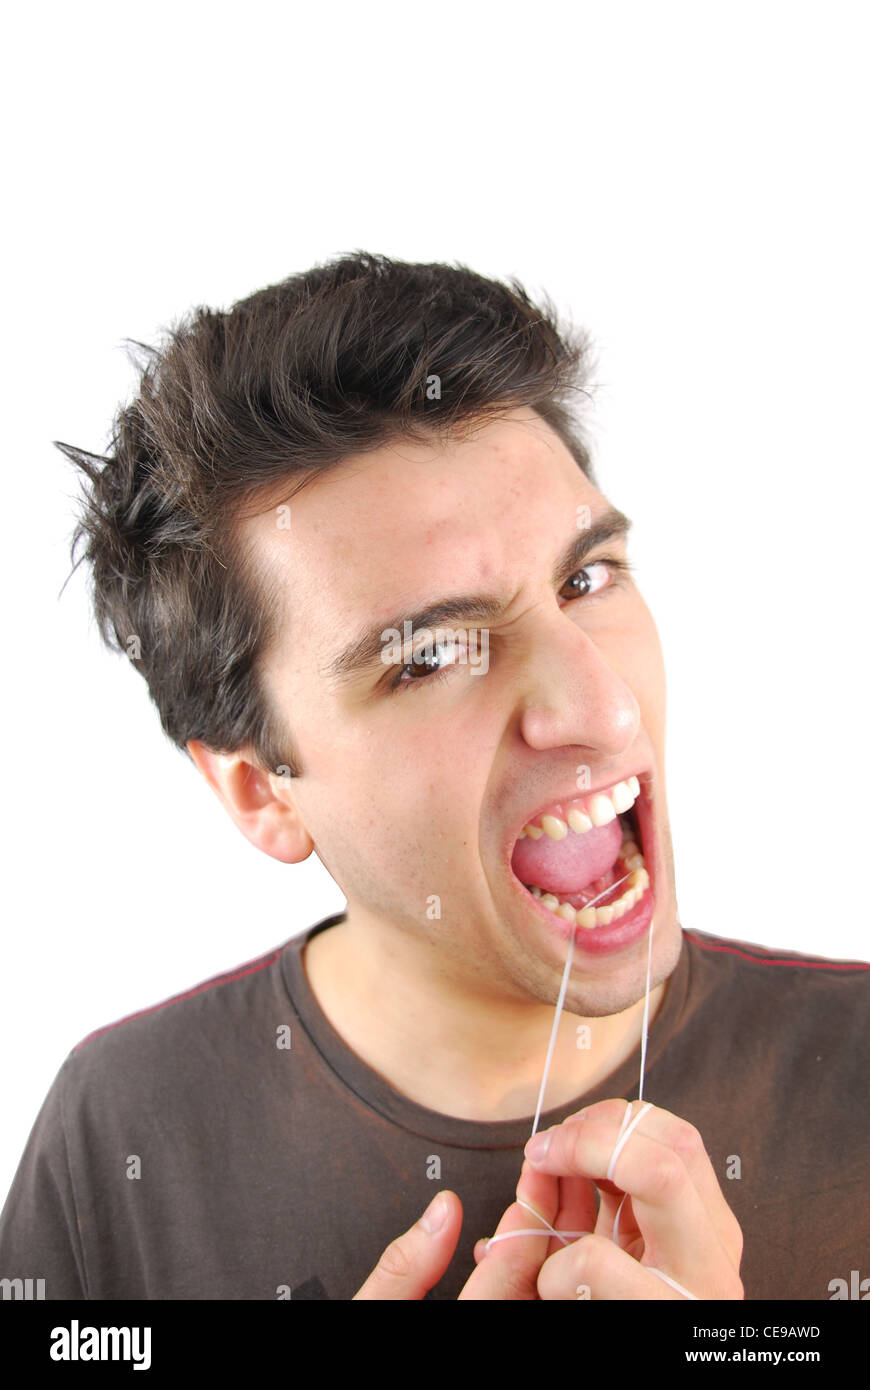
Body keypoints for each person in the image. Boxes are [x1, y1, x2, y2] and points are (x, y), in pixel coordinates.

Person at [0, 252, 866, 1302]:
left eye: (586, 577)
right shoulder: (119, 1144)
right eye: (432, 654)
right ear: (262, 791)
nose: (603, 708)